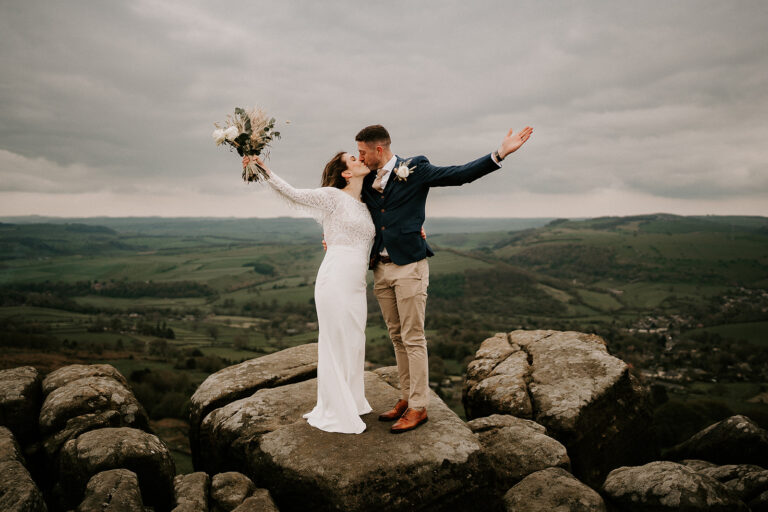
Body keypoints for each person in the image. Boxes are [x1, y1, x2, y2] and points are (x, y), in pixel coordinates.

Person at [356, 124, 533, 433]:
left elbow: (459, 174)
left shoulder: (415, 168)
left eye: (362, 152)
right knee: (396, 336)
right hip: (380, 269)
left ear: (378, 150)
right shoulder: (366, 178)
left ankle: (419, 406)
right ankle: (406, 397)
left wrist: (500, 153)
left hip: (409, 267)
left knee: (413, 337)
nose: (359, 157)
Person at [242, 151, 374, 434]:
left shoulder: (366, 204)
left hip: (356, 284)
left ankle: (352, 400)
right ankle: (336, 409)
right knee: (335, 341)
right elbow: (292, 193)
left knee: (354, 340)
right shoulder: (332, 196)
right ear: (346, 173)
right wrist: (262, 168)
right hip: (335, 279)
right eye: (353, 158)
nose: (360, 159)